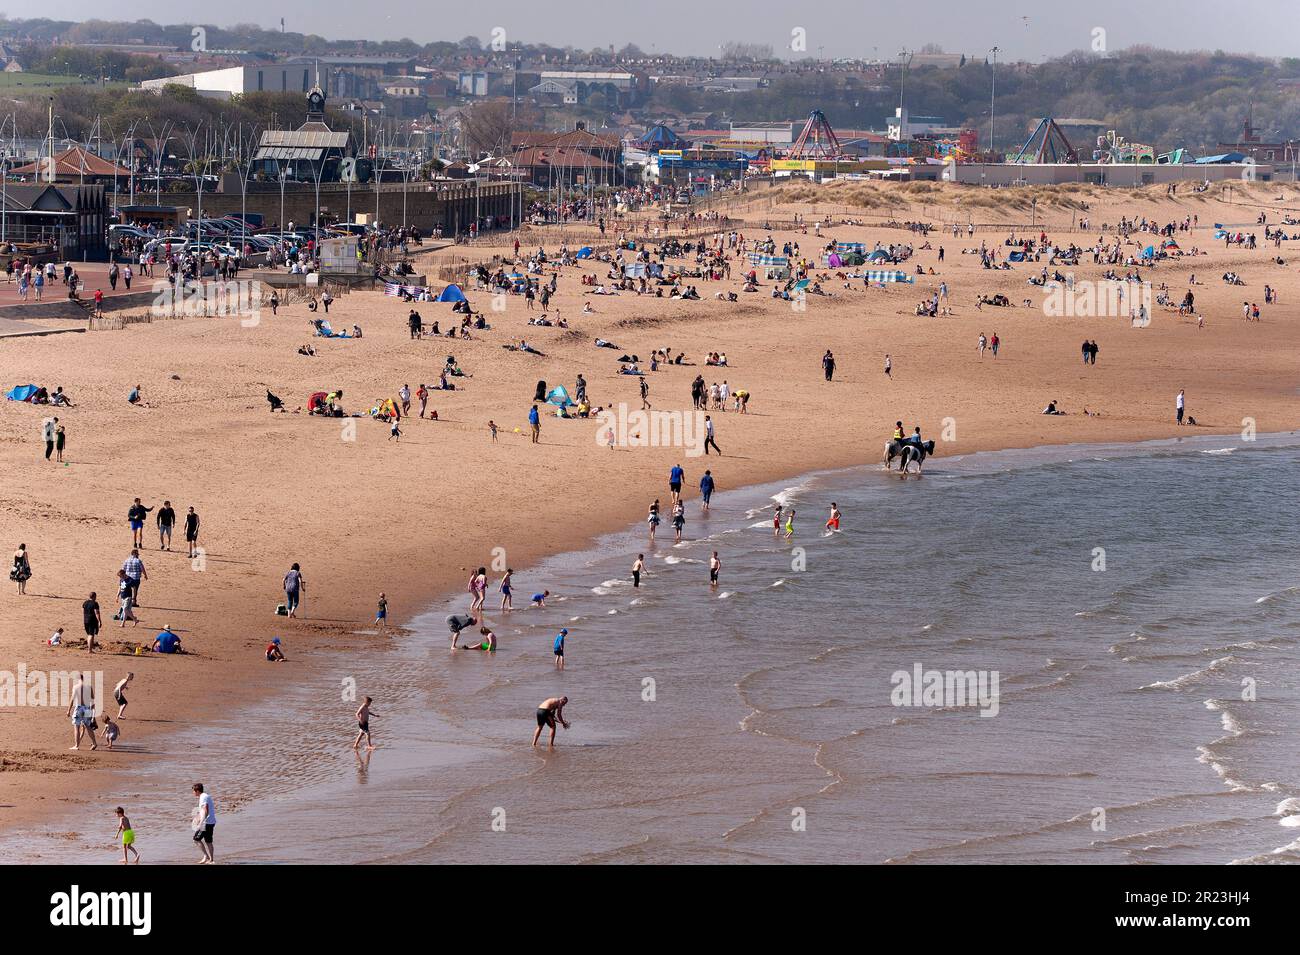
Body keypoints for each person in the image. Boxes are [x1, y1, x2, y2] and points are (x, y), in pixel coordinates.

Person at [67, 673, 97, 750]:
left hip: (79, 708)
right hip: (87, 708)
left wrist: (68, 710)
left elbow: (72, 699)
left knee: (76, 727)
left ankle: (76, 746)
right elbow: (93, 701)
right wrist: (93, 712)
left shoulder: (76, 687)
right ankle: (94, 743)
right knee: (88, 727)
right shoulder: (89, 687)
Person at [192, 783, 216, 864]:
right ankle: (211, 860)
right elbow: (202, 810)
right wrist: (197, 818)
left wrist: (201, 823)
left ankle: (206, 856)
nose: (193, 793)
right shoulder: (205, 796)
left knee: (196, 839)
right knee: (208, 841)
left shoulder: (203, 797)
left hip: (206, 823)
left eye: (193, 791)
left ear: (197, 791)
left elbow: (206, 809)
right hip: (211, 822)